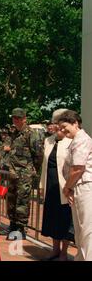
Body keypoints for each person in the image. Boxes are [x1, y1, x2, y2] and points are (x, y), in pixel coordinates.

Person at [58, 110, 92, 261]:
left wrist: (67, 188)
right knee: (80, 232)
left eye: (65, 127)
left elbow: (78, 168)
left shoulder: (82, 139)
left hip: (85, 187)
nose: (63, 131)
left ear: (75, 123)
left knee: (87, 231)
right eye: (61, 128)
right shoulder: (76, 139)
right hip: (79, 187)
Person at [5, 108, 44, 240]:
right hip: (12, 173)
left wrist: (32, 170)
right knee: (11, 199)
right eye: (14, 118)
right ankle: (12, 226)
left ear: (24, 119)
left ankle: (21, 229)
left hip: (25, 173)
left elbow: (38, 155)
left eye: (18, 118)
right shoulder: (13, 133)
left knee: (22, 201)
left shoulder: (32, 133)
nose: (16, 120)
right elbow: (7, 149)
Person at [40, 109, 73, 261]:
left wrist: (70, 187)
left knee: (64, 220)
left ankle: (64, 253)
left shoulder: (71, 141)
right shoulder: (48, 140)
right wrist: (41, 186)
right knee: (52, 218)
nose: (56, 127)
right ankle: (55, 250)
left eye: (59, 124)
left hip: (64, 187)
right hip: (50, 185)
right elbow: (44, 166)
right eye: (54, 123)